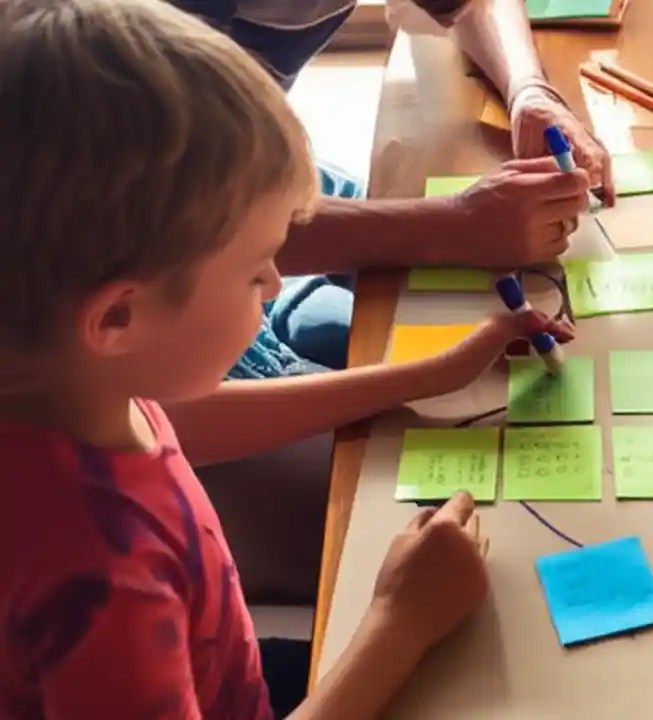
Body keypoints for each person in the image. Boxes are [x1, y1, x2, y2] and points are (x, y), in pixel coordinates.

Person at [0, 1, 565, 716]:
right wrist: (397, 624)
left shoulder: (76, 388)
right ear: (117, 316)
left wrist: (429, 374)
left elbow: (183, 420)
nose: (274, 281)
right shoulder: (104, 588)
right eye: (255, 269)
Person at [168, 0, 613, 377]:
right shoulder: (146, 40)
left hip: (259, 180)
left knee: (406, 317)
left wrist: (528, 90)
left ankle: (296, 308)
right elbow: (180, 226)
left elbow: (474, 6)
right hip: (180, 258)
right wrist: (456, 226)